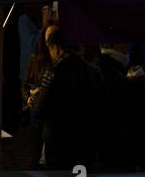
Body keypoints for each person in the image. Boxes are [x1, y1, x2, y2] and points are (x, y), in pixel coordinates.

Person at [32, 26, 104, 169]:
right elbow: (102, 103)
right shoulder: (93, 70)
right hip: (86, 138)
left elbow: (40, 110)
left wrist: (34, 99)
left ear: (56, 48)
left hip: (57, 139)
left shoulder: (54, 72)